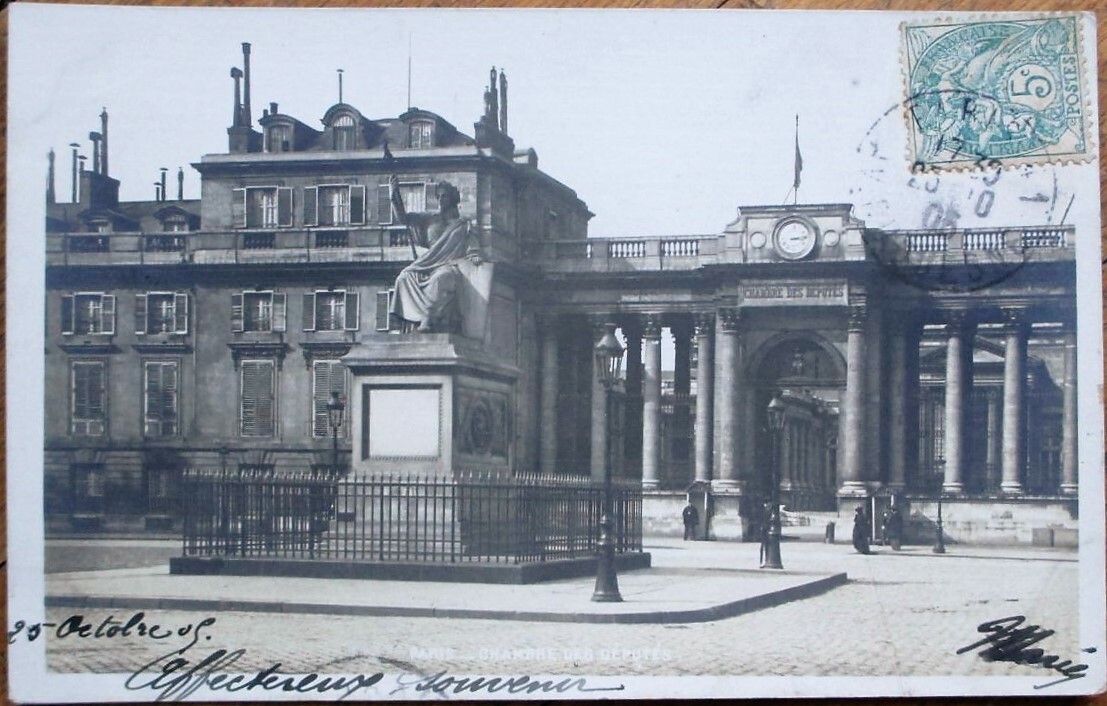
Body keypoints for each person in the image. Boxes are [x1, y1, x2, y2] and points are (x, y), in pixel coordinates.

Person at [390, 179, 484, 333]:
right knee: (404, 276)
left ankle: (427, 319)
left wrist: (474, 253)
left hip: (450, 266)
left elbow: (471, 241)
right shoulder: (428, 218)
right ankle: (400, 320)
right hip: (427, 264)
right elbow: (403, 218)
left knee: (439, 279)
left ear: (453, 199)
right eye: (439, 196)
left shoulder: (462, 224)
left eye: (445, 196)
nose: (441, 200)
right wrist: (394, 195)